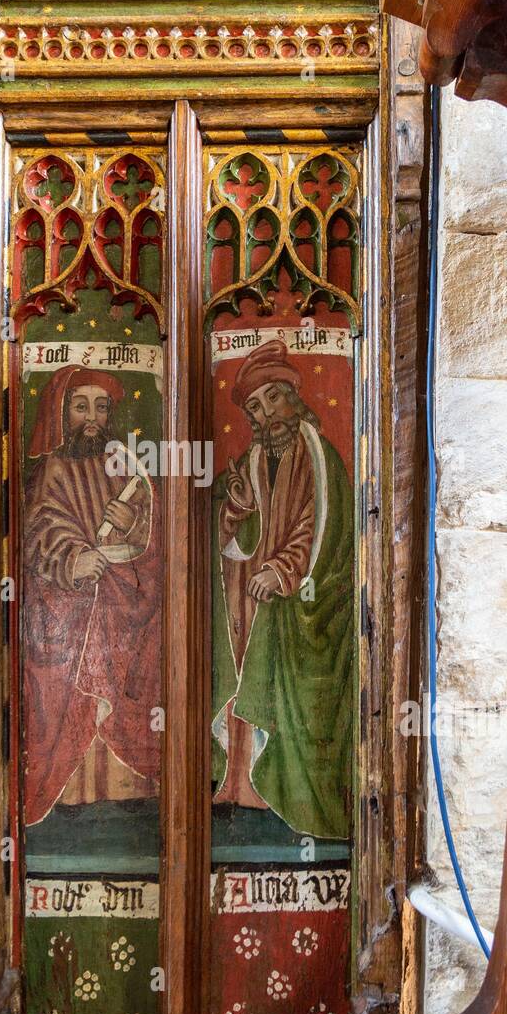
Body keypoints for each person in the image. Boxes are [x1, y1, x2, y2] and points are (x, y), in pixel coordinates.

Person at [212, 340, 353, 839]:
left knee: (300, 697)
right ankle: (245, 787)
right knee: (247, 669)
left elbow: (322, 522)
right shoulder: (253, 461)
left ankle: (295, 797)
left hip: (309, 602)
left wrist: (285, 569)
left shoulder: (319, 454)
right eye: (255, 406)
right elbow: (235, 535)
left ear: (292, 396)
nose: (266, 413)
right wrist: (235, 508)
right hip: (258, 601)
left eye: (272, 398)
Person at [22, 365, 161, 825]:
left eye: (102, 409)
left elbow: (149, 531)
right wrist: (73, 558)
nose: (92, 419)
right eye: (81, 407)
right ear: (63, 413)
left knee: (138, 656)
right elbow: (41, 527)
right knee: (67, 676)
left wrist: (133, 523)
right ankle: (69, 793)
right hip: (69, 599)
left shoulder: (121, 465)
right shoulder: (53, 468)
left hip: (119, 594)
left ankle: (125, 790)